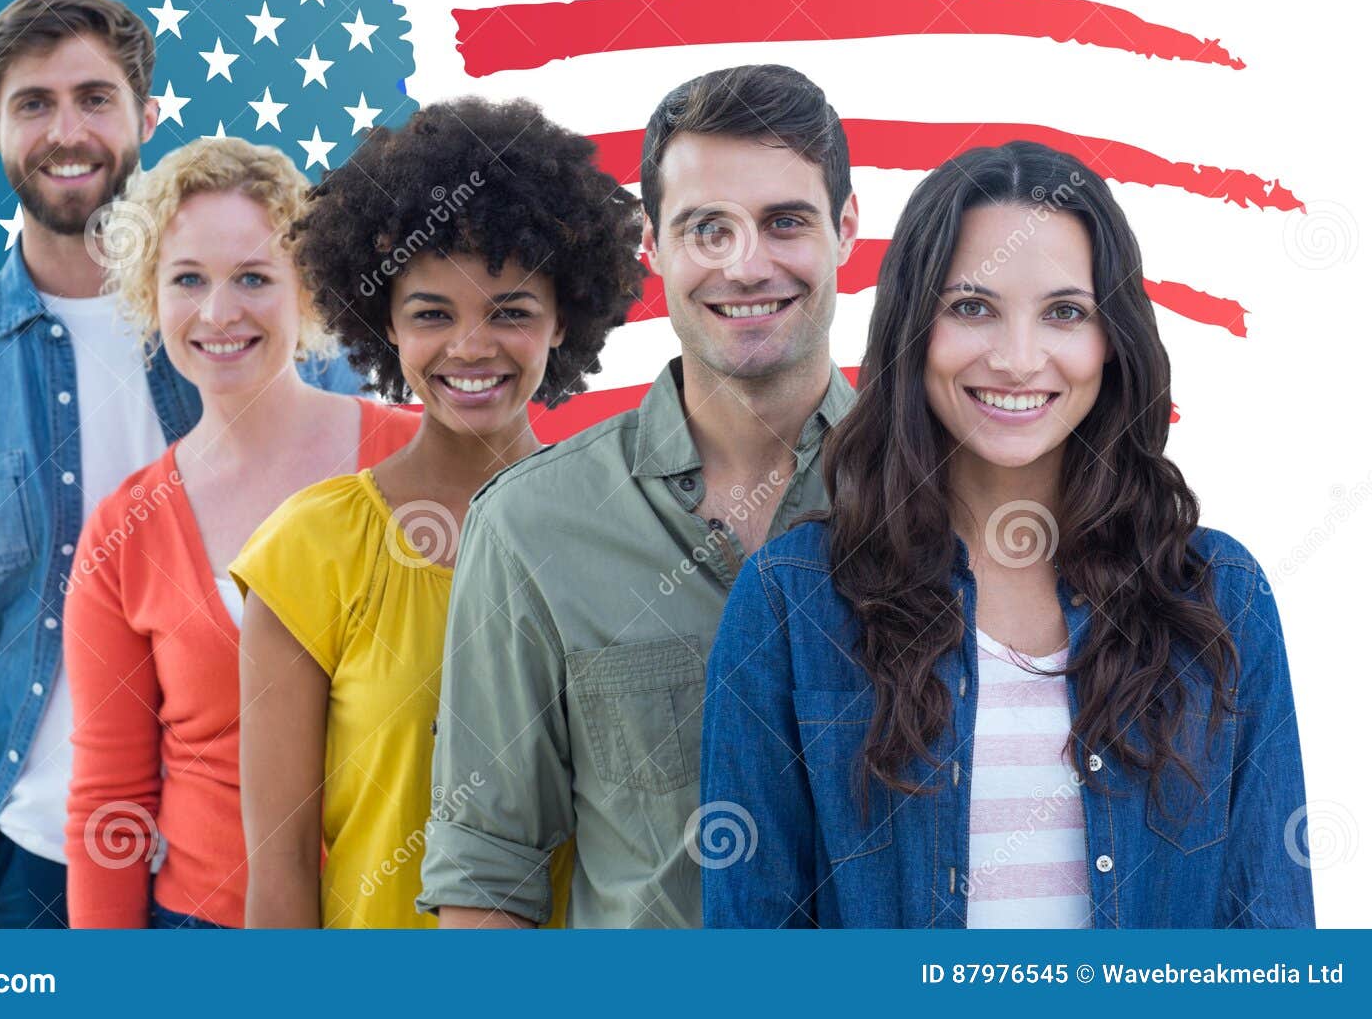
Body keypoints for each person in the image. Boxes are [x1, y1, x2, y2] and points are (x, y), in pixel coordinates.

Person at [701, 141, 1314, 929]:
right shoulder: (792, 600)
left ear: (1111, 339)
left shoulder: (1220, 594)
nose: (1019, 359)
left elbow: (1269, 944)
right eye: (971, 307)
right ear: (912, 330)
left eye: (1064, 312)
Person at [0, 0, 360, 929]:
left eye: (95, 98)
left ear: (147, 116)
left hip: (279, 856)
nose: (68, 130)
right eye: (33, 104)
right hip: (42, 864)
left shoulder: (283, 338)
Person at [415, 65, 860, 927]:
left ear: (845, 228)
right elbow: (485, 871)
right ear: (652, 243)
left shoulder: (942, 491)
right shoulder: (530, 524)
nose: (748, 263)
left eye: (786, 222)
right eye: (707, 228)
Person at [231, 98, 645, 927]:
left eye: (511, 310)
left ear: (564, 318)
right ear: (384, 322)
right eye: (432, 313)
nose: (471, 346)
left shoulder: (629, 531)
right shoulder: (310, 551)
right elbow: (278, 879)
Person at [61, 138, 418, 928]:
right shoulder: (124, 532)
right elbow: (109, 799)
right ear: (150, 297)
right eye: (188, 279)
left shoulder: (417, 462)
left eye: (253, 277)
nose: (219, 313)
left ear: (308, 291)